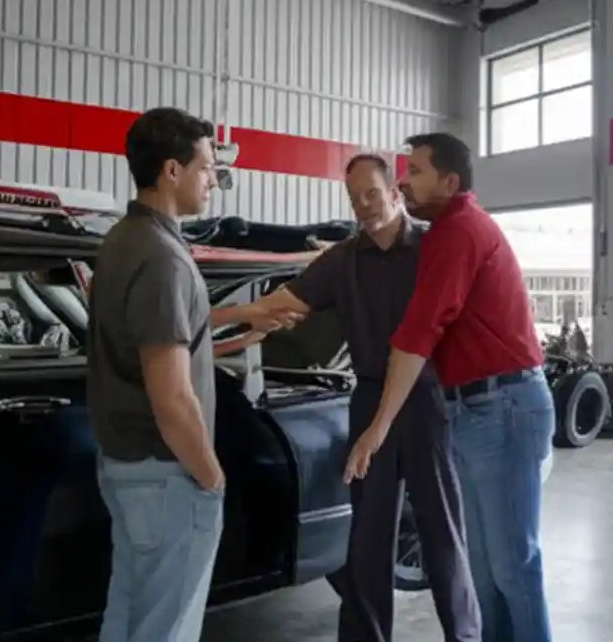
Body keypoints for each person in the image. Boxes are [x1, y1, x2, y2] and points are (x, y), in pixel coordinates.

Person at [87, 107, 298, 642]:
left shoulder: (121, 241)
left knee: (130, 614)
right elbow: (172, 397)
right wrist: (211, 476)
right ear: (172, 171)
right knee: (167, 627)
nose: (213, 180)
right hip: (167, 472)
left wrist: (236, 320)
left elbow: (156, 328)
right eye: (206, 167)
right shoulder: (163, 258)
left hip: (127, 465)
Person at [249, 153, 481, 642]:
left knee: (442, 531)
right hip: (370, 398)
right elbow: (283, 303)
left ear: (395, 192)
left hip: (428, 402)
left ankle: (464, 635)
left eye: (372, 193)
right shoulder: (342, 261)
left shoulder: (434, 248)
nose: (363, 205)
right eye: (355, 198)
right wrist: (209, 318)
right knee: (368, 538)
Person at [343, 133, 554, 642]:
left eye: (414, 171)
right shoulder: (445, 232)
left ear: (449, 181)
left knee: (511, 565)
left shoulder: (459, 233)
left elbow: (418, 334)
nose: (403, 180)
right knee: (483, 566)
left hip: (502, 406)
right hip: (474, 408)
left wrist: (377, 429)